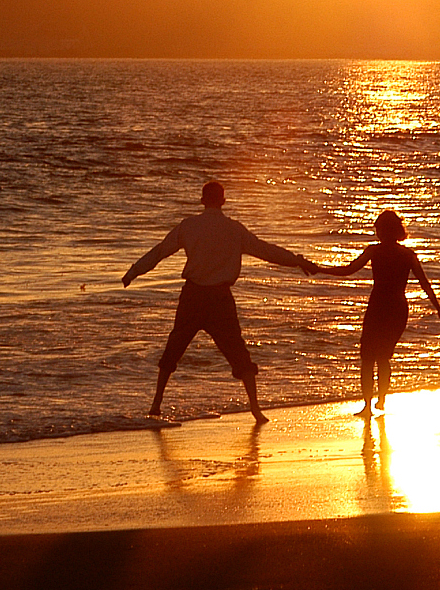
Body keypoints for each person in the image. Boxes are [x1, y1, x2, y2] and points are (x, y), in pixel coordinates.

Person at [122, 180, 315, 423]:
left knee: (174, 349)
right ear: (223, 201)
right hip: (220, 299)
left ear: (202, 200)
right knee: (238, 352)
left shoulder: (189, 226)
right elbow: (266, 250)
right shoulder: (234, 229)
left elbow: (159, 252)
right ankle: (255, 410)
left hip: (193, 297)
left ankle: (156, 405)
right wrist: (297, 260)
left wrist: (133, 272)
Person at [311, 208, 440, 417]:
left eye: (380, 228)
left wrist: (321, 269)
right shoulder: (406, 254)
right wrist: (439, 310)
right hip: (395, 308)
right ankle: (378, 400)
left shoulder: (375, 251)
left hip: (381, 307)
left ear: (388, 230)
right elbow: (425, 284)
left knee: (370, 357)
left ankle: (371, 404)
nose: (378, 233)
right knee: (379, 357)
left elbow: (349, 270)